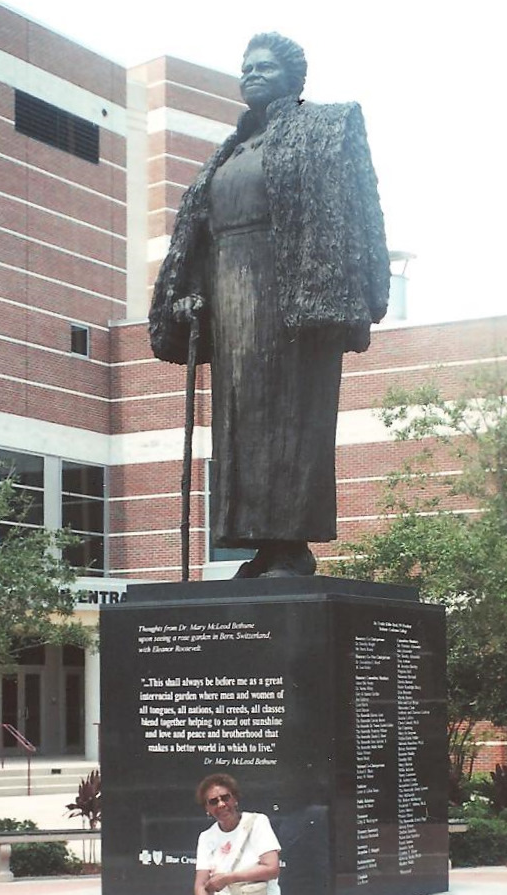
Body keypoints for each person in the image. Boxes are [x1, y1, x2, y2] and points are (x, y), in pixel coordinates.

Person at [149, 33, 389, 578]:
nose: (253, 73)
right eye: (247, 67)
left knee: (292, 416)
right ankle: (262, 545)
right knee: (241, 421)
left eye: (266, 67)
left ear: (292, 78)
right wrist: (189, 295)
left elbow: (363, 212)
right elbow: (199, 236)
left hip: (294, 296)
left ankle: (292, 547)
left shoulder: (324, 126)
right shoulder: (229, 152)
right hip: (232, 299)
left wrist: (361, 295)